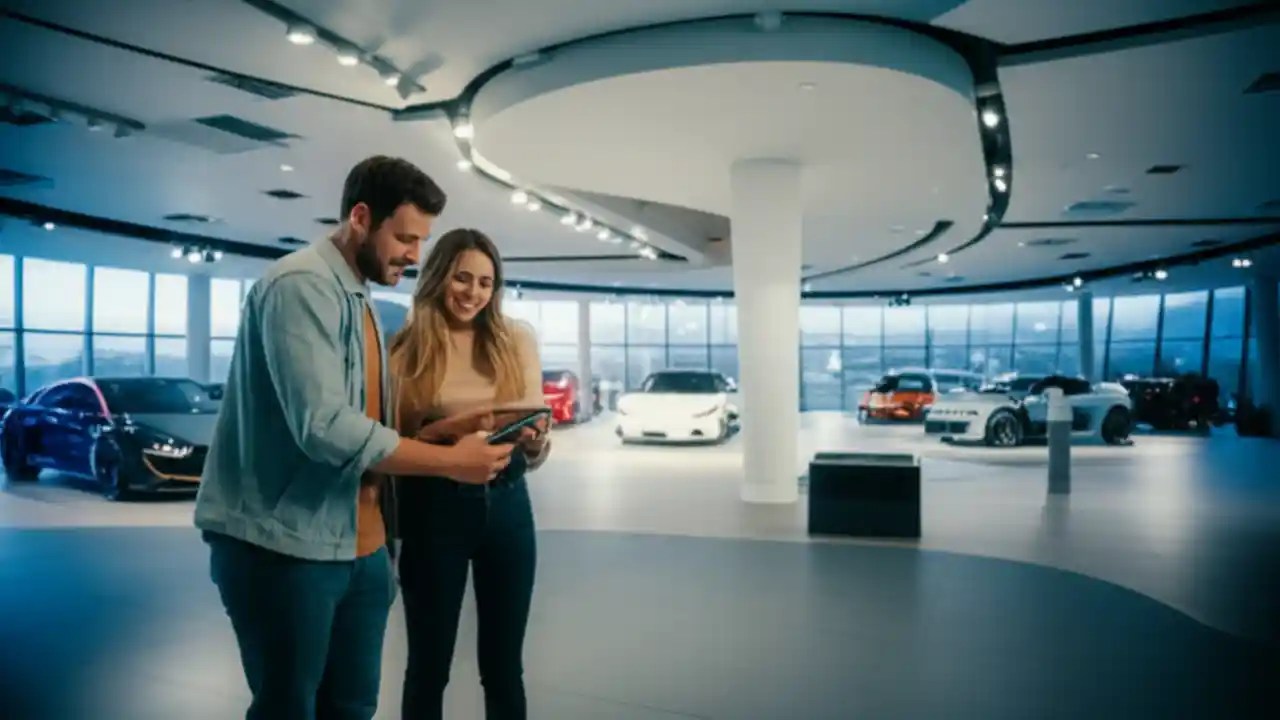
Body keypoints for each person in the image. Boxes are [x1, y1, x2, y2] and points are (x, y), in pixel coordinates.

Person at [193, 156, 514, 720]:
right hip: (284, 548)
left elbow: (363, 422)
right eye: (406, 238)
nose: (415, 255)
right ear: (361, 218)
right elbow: (324, 428)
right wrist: (449, 465)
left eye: (422, 240)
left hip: (360, 547)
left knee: (351, 708)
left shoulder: (358, 297)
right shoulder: (300, 286)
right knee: (289, 708)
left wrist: (441, 436)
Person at [390, 228, 551, 720]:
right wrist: (457, 429)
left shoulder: (515, 339)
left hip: (508, 503)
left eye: (485, 282)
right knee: (428, 667)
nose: (473, 293)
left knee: (505, 667)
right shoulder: (407, 348)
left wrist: (538, 441)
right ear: (439, 276)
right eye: (462, 278)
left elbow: (536, 436)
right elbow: (396, 441)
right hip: (433, 507)